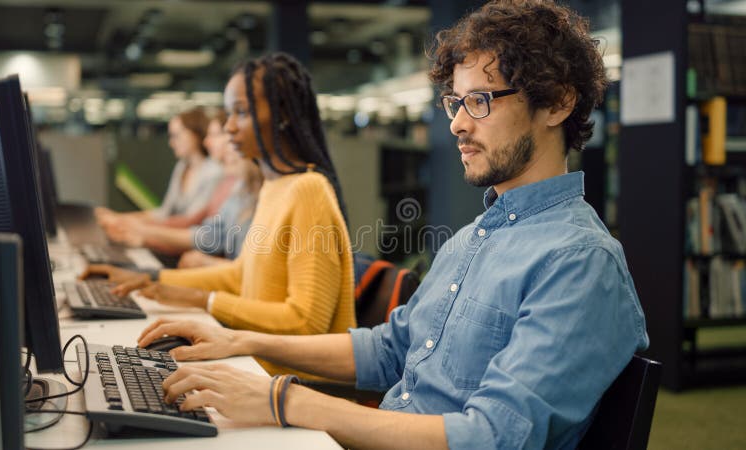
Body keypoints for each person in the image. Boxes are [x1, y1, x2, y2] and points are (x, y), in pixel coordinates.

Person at [135, 2, 649, 449]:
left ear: (558, 102)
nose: (457, 124)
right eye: (456, 102)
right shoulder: (475, 237)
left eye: (480, 101)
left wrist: (283, 400)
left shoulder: (579, 261)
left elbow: (491, 438)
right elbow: (390, 348)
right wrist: (244, 342)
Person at [84, 52, 355, 378]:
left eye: (240, 112)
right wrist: (157, 282)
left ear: (282, 114)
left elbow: (305, 322)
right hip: (260, 370)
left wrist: (205, 301)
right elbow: (241, 275)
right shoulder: (274, 187)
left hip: (296, 384)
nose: (228, 127)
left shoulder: (308, 190)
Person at [105, 120, 261, 261]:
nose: (209, 142)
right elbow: (210, 233)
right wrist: (138, 230)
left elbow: (192, 223)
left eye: (218, 135)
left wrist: (143, 231)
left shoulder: (220, 176)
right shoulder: (237, 190)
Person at [95, 107, 222, 231]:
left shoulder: (213, 172)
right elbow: (164, 212)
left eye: (176, 136)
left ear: (194, 134)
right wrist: (119, 218)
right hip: (171, 236)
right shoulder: (182, 167)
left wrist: (124, 223)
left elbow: (189, 221)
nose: (171, 143)